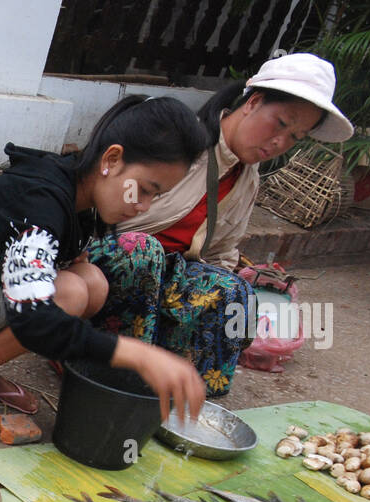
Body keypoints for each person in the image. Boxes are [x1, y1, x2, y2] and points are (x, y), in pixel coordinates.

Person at [0, 95, 211, 440]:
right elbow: (34, 318)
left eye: (156, 197)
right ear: (113, 159)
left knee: (92, 281)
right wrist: (138, 355)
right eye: (144, 190)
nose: (144, 207)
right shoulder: (39, 199)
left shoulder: (83, 197)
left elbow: (68, 265)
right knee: (68, 293)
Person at [90, 53, 354, 396]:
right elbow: (99, 198)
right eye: (281, 124)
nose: (280, 143)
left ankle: (193, 398)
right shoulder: (180, 141)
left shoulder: (248, 179)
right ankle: (111, 377)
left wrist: (217, 293)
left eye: (295, 137)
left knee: (234, 290)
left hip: (168, 272)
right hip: (107, 257)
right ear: (253, 102)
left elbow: (221, 251)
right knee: (144, 252)